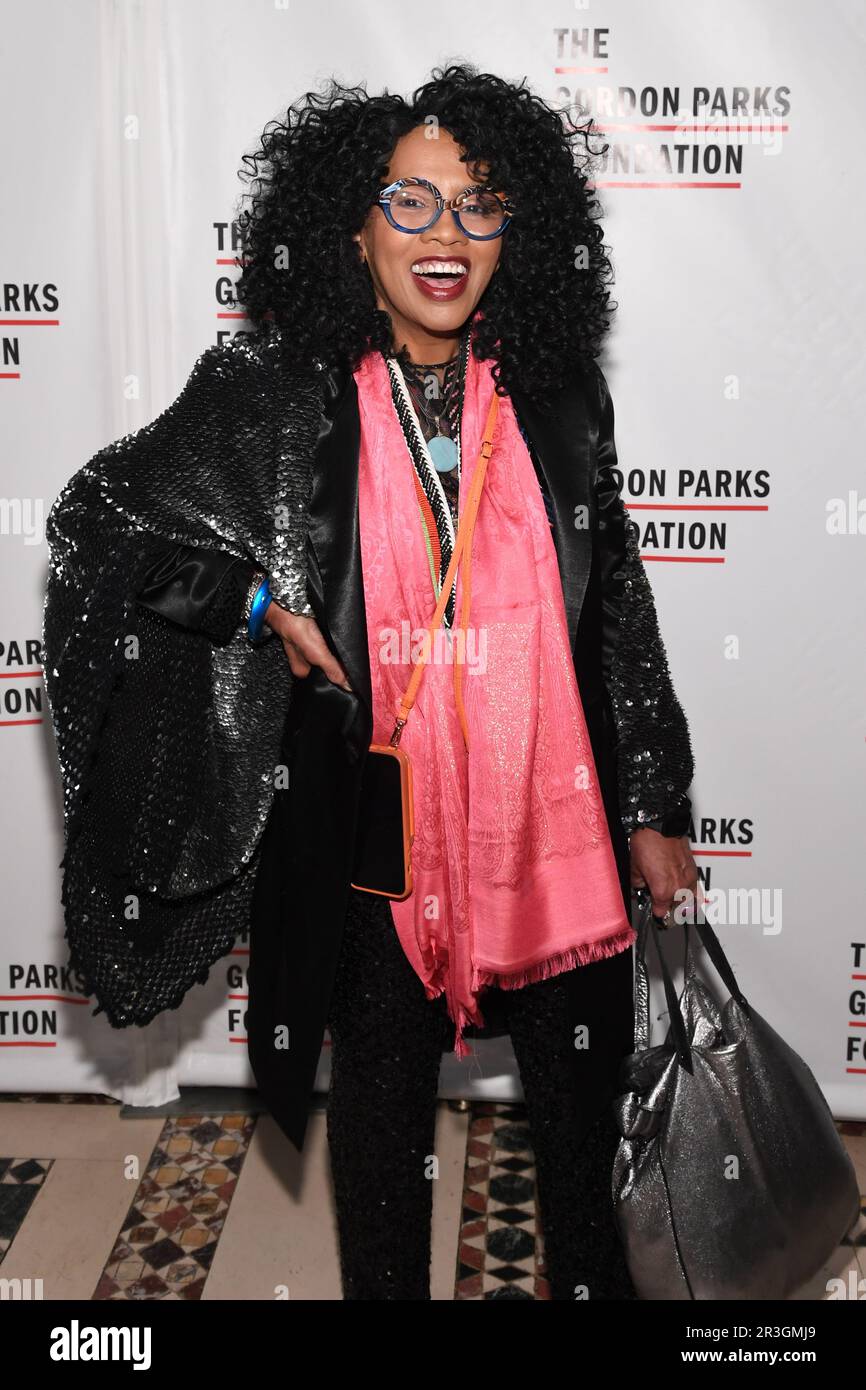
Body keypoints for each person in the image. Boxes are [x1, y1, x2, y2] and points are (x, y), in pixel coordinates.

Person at [42, 63, 699, 1301]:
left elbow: (613, 601)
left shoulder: (559, 400)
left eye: (478, 204)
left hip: (549, 824)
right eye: (408, 202)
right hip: (368, 838)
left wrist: (654, 804)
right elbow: (99, 528)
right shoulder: (281, 397)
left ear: (522, 230)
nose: (444, 236)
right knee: (383, 1149)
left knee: (579, 1146)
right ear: (349, 224)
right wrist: (251, 604)